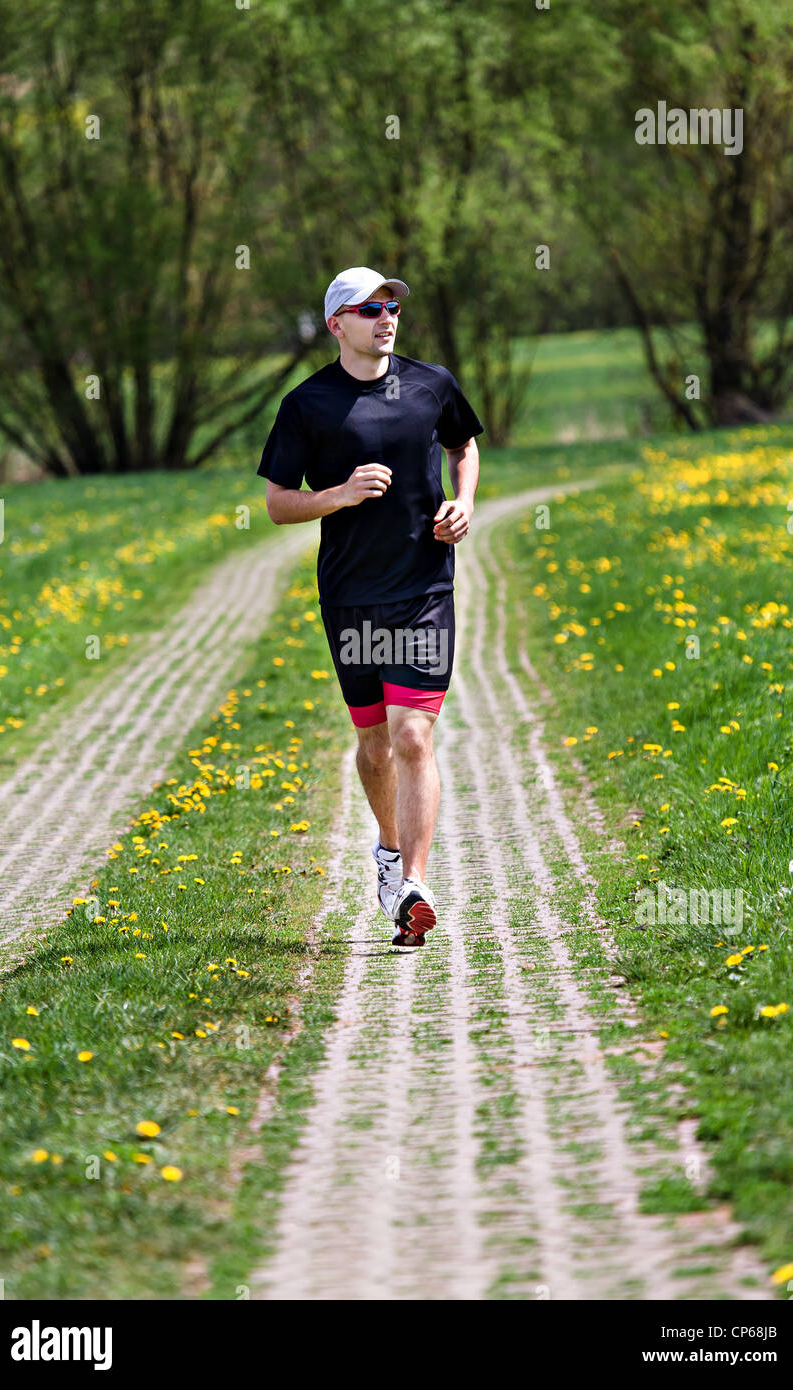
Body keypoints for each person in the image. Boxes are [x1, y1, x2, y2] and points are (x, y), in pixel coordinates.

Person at [257, 267, 483, 949]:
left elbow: (462, 444)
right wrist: (339, 494)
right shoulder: (307, 405)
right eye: (369, 309)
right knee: (375, 744)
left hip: (423, 590)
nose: (387, 318)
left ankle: (414, 882)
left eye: (392, 307)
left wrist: (464, 502)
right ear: (336, 325)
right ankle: (388, 855)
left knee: (414, 736)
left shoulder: (430, 384)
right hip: (352, 597)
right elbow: (277, 503)